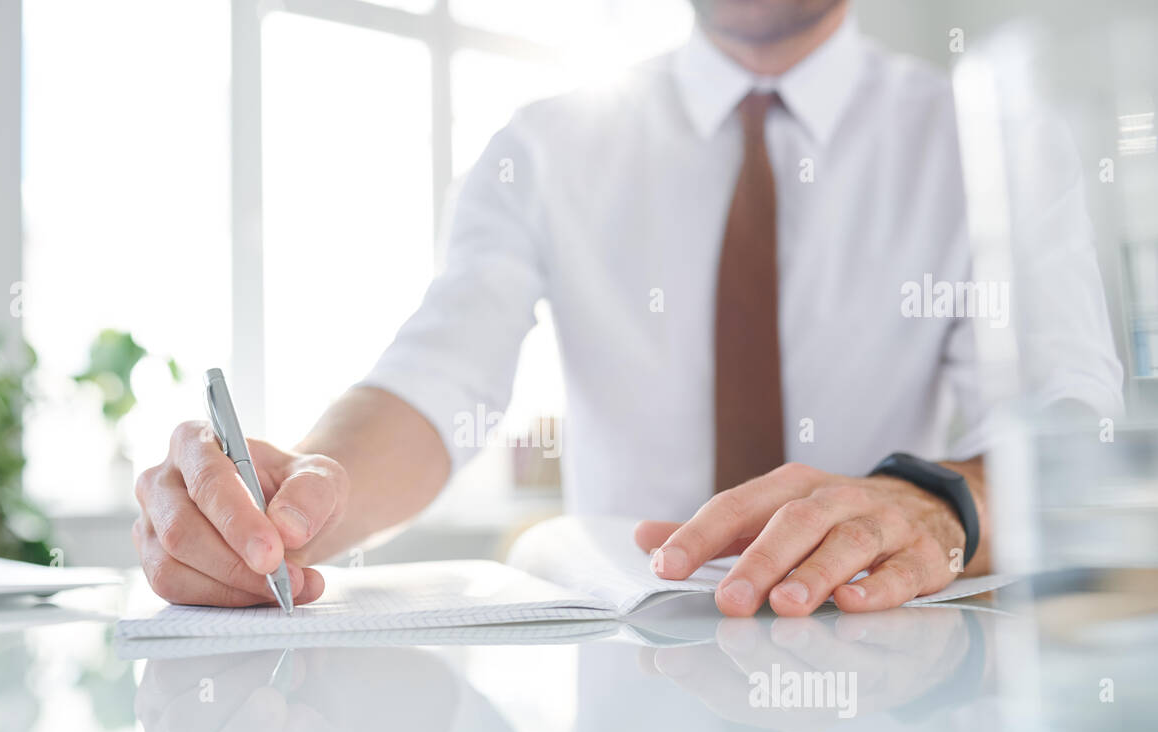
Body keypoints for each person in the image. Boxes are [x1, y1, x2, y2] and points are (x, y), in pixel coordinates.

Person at [133, 0, 1122, 617]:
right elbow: (435, 381)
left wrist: (936, 504)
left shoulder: (994, 143)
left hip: (896, 681)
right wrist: (290, 510)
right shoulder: (549, 144)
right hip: (627, 698)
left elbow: (1071, 430)